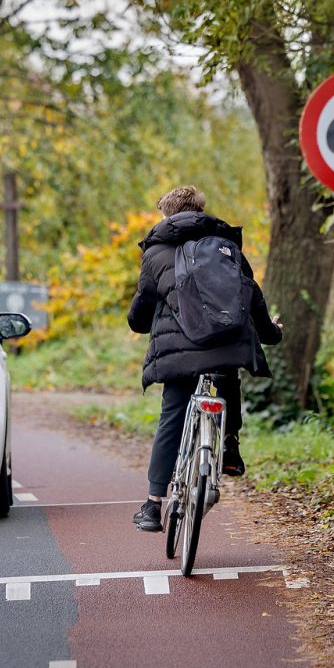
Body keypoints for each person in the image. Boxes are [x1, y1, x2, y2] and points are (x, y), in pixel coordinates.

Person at [126, 185, 281, 532]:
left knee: (172, 415)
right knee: (228, 380)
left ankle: (152, 506)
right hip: (227, 344)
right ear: (200, 209)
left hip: (178, 355)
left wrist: (140, 321)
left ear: (167, 215)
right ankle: (229, 449)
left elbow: (140, 312)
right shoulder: (226, 246)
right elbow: (250, 294)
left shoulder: (156, 253)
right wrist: (271, 331)